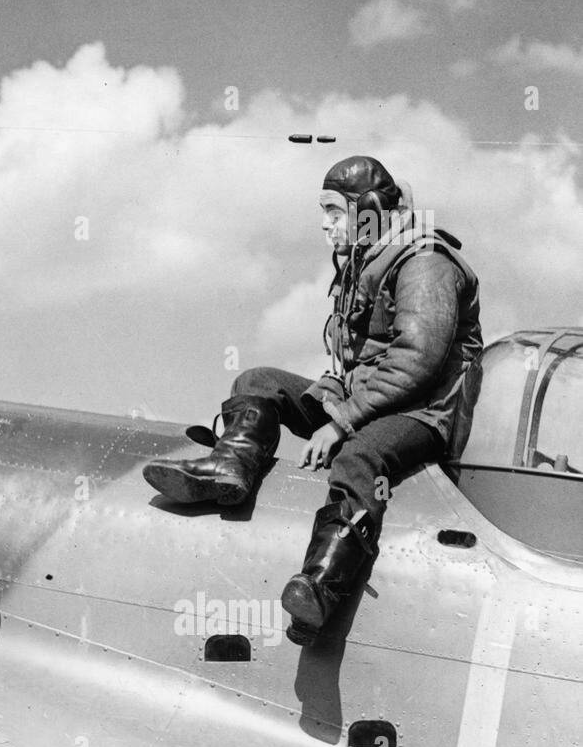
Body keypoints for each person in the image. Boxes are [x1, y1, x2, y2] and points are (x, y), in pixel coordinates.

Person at [142, 156, 482, 644]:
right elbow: (360, 358)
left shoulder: (425, 263)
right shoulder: (368, 260)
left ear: (366, 210)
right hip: (369, 399)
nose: (324, 223)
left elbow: (417, 361)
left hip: (422, 413)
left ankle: (320, 589)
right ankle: (229, 469)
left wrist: (341, 421)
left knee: (360, 458)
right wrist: (332, 394)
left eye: (333, 210)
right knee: (259, 380)